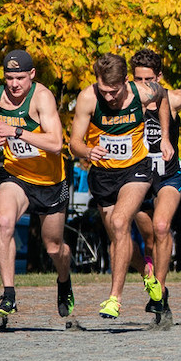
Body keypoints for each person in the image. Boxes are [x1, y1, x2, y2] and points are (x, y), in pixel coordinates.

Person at [69, 53, 160, 324]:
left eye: (114, 91)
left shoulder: (143, 93)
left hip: (136, 169)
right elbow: (74, 143)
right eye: (103, 90)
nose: (108, 97)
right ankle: (147, 275)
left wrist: (164, 135)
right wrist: (87, 150)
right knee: (119, 240)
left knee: (121, 223)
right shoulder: (88, 98)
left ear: (126, 81)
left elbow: (164, 96)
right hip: (103, 174)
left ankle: (114, 298)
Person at [0, 50, 71, 326]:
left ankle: (64, 279)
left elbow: (57, 143)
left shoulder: (42, 98)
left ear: (32, 75)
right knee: (5, 223)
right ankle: (8, 294)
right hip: (16, 175)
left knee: (54, 247)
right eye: (9, 78)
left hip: (50, 182)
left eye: (20, 77)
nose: (14, 84)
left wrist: (17, 132)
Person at [130, 49, 181, 329]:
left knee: (162, 226)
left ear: (160, 77)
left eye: (149, 79)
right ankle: (151, 279)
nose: (144, 85)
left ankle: (160, 293)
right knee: (149, 242)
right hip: (137, 180)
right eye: (138, 79)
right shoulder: (126, 102)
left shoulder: (174, 99)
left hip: (168, 177)